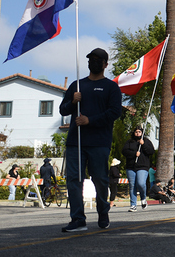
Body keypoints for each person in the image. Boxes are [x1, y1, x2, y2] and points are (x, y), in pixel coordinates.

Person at [59, 48, 122, 232]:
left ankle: (103, 210)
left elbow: (114, 112)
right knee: (74, 180)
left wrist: (90, 120)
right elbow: (63, 110)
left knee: (100, 179)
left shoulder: (111, 87)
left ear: (105, 64)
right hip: (76, 142)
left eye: (97, 60)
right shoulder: (77, 86)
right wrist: (73, 102)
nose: (93, 62)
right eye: (91, 59)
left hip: (99, 142)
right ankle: (78, 219)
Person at [122, 126, 155, 212]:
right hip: (131, 167)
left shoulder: (146, 141)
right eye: (136, 132)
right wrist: (134, 154)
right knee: (132, 185)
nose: (137, 133)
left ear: (142, 133)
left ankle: (143, 198)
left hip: (143, 167)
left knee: (141, 183)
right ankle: (133, 205)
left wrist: (143, 145)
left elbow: (151, 151)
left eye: (139, 132)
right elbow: (124, 151)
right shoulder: (129, 142)